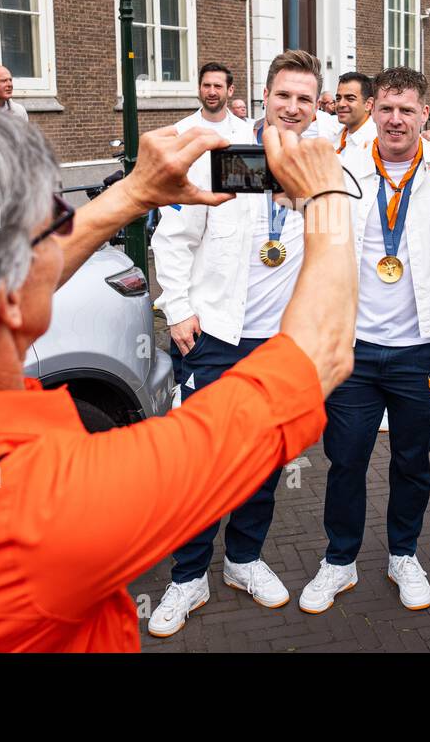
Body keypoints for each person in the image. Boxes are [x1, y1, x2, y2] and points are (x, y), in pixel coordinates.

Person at [0, 108, 358, 652]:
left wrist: (134, 192)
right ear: (7, 298)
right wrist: (326, 196)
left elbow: (5, 279)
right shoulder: (47, 504)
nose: (62, 238)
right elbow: (320, 353)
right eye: (52, 221)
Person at [147, 49, 327, 636]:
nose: (293, 107)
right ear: (266, 96)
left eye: (305, 97)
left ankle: (244, 560)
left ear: (315, 103)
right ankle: (188, 576)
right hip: (215, 336)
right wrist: (176, 310)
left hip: (280, 346)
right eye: (284, 96)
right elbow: (174, 233)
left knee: (264, 462)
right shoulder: (224, 156)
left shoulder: (324, 164)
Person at [299, 66, 430, 615]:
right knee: (345, 459)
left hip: (422, 349)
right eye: (387, 109)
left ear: (425, 115)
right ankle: (339, 559)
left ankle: (404, 554)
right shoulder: (341, 170)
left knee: (413, 459)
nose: (396, 119)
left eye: (407, 110)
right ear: (373, 111)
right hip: (355, 347)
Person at [174, 63, 251, 142]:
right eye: (206, 85)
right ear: (199, 89)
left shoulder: (246, 131)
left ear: (230, 90)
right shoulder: (181, 130)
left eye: (218, 86)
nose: (212, 93)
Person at [334, 71, 378, 154]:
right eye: (338, 98)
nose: (341, 104)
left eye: (350, 98)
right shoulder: (335, 137)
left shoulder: (378, 143)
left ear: (368, 104)